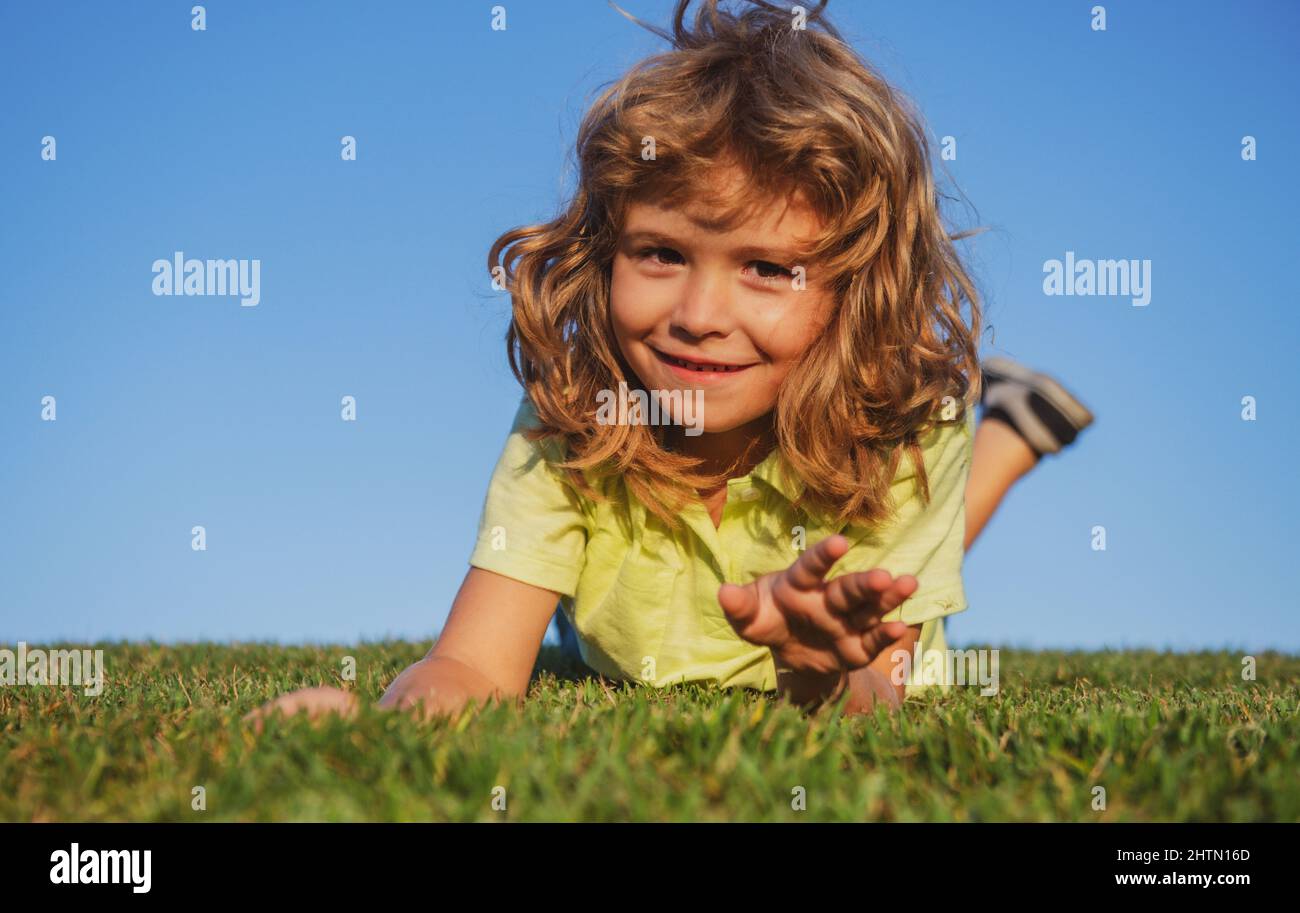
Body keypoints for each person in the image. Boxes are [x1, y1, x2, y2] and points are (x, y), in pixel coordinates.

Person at [247, 0, 1093, 727]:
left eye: (766, 269)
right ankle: (1018, 420)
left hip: (874, 457)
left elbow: (884, 689)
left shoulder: (905, 416)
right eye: (659, 254)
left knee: (900, 516)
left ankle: (1009, 432)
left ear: (854, 296)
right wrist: (389, 719)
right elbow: (473, 666)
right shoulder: (574, 416)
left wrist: (822, 670)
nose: (696, 318)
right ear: (605, 250)